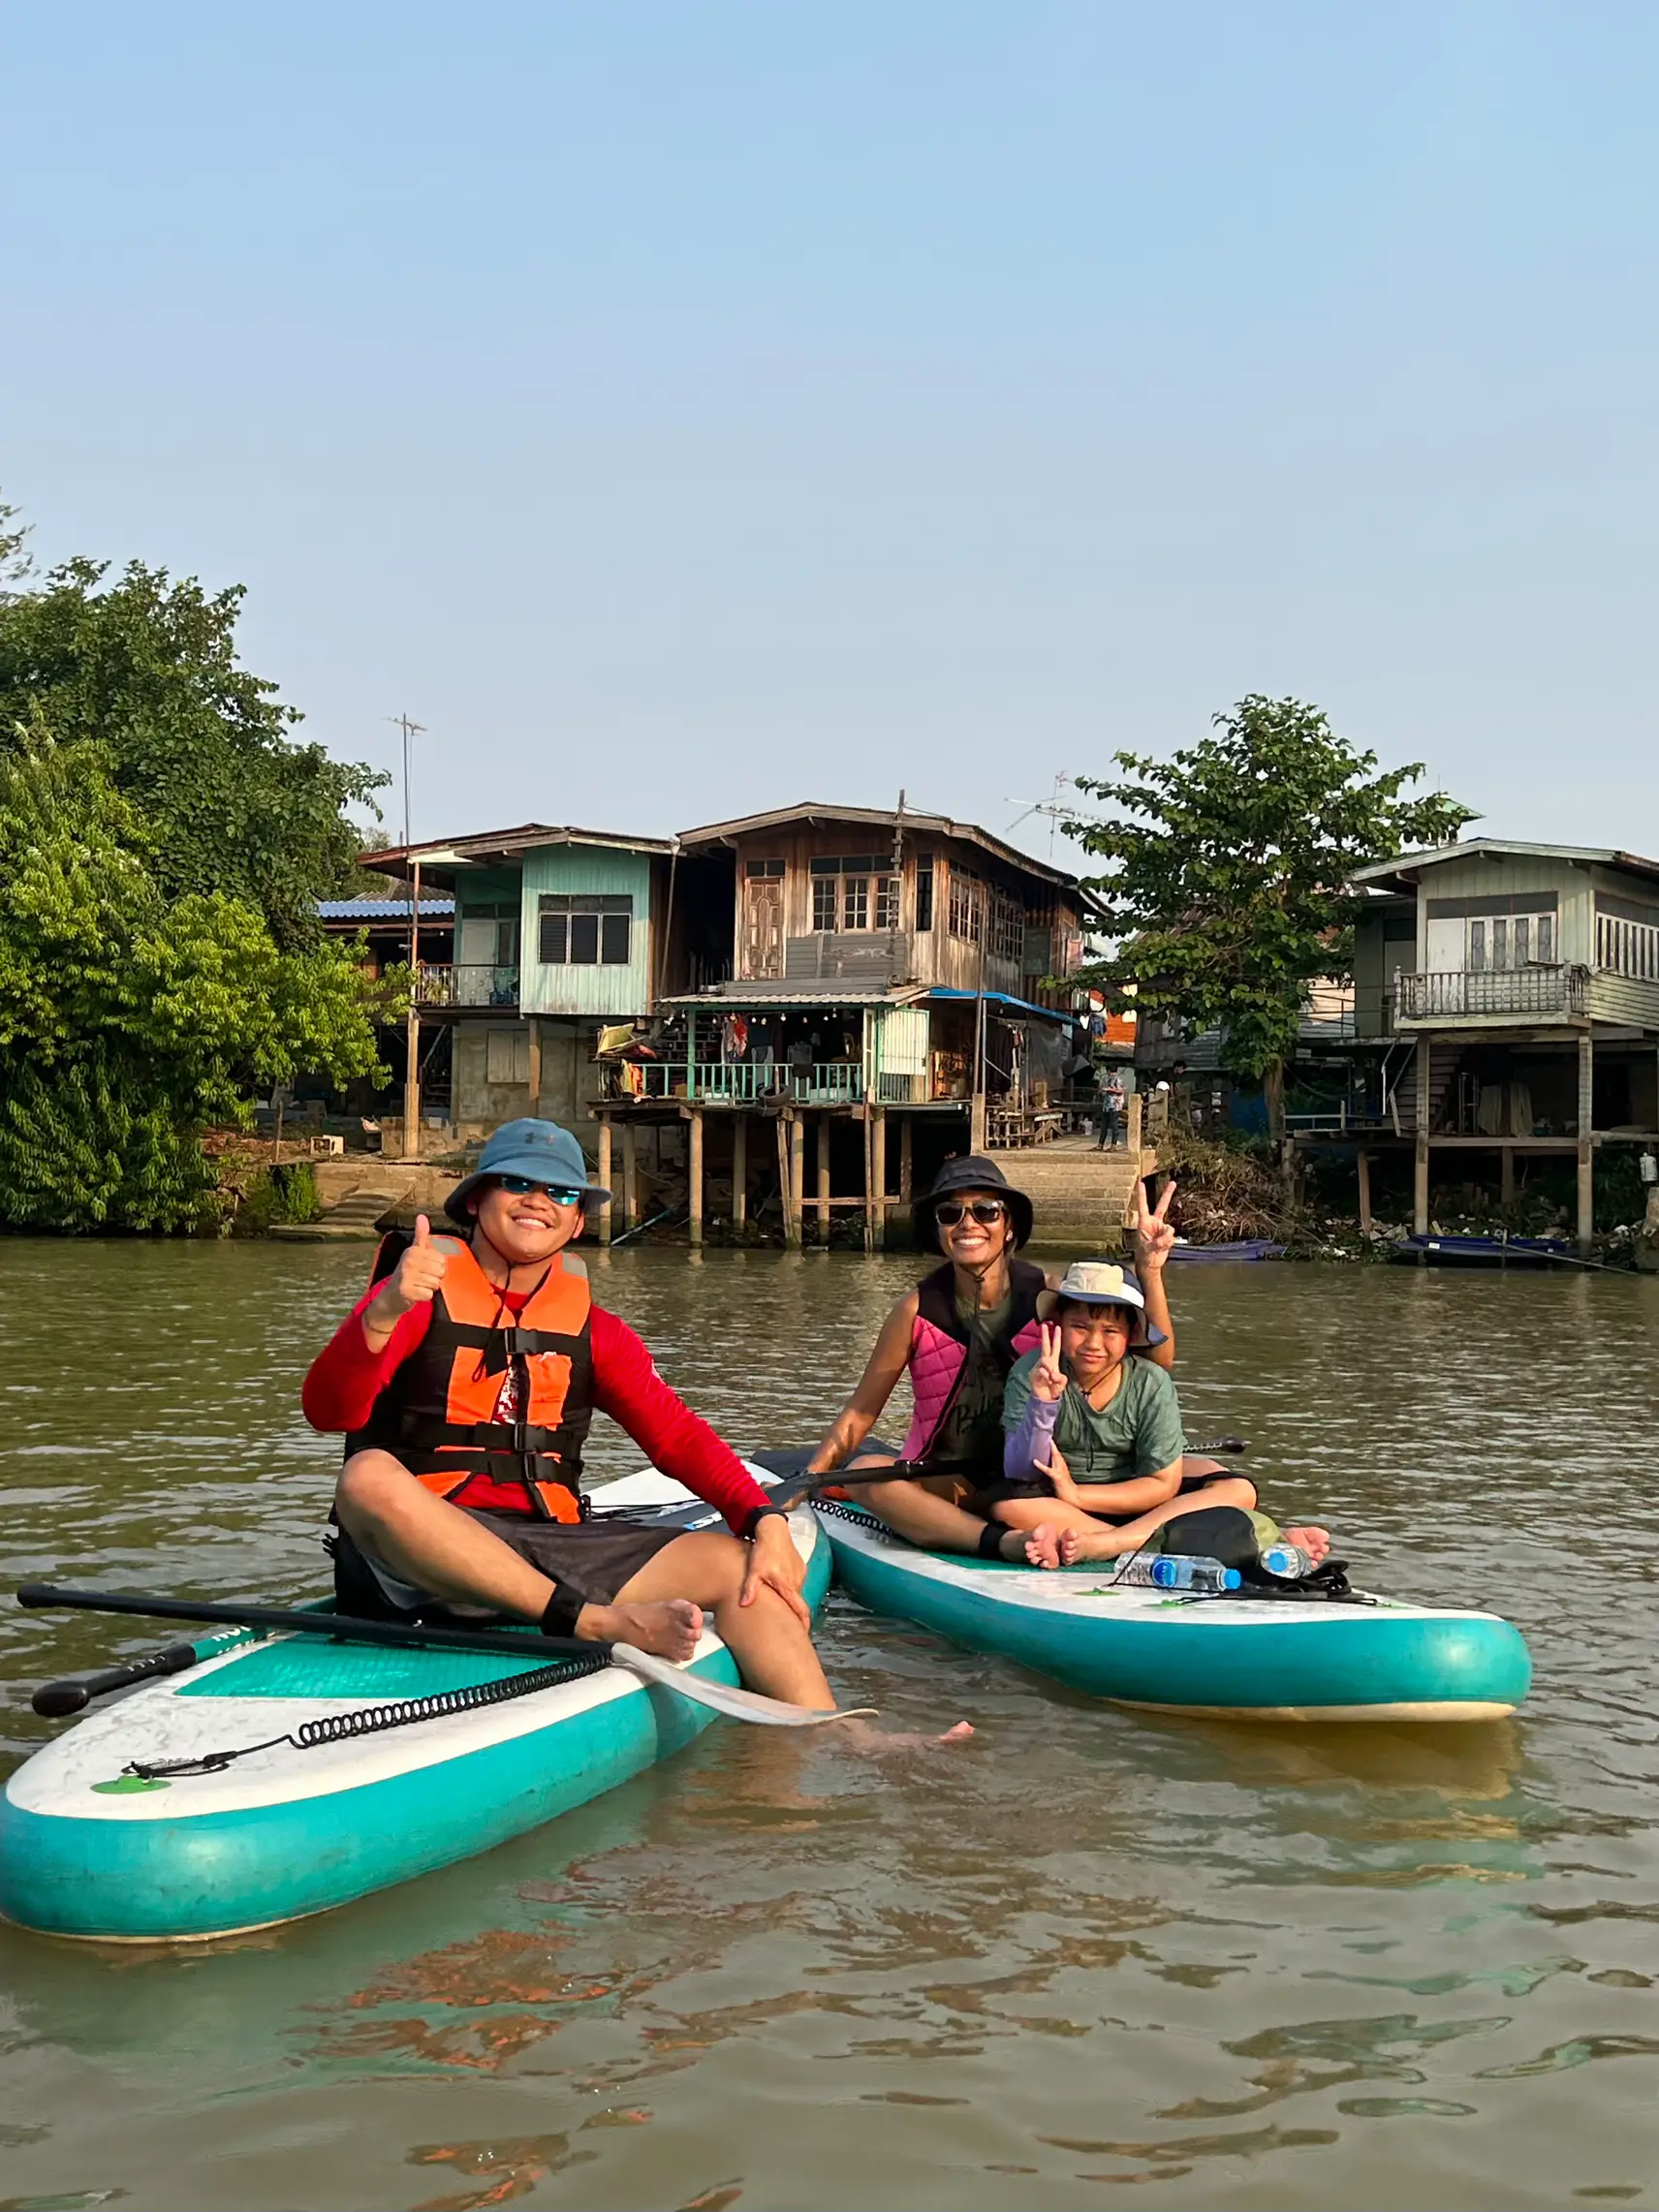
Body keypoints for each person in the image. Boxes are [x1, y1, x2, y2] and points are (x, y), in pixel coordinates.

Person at [302, 1118, 843, 1712]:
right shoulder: (413, 1294)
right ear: (477, 1200)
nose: (537, 1200)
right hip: (421, 1562)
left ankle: (833, 1734)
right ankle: (595, 1623)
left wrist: (761, 1517)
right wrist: (383, 1311)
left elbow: (675, 1435)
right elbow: (328, 1411)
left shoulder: (598, 1333)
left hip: (548, 1544)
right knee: (367, 1477)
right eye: (515, 1183)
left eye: (559, 1192)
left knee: (742, 1571)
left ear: (578, 1220)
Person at [994, 1262, 1328, 1568]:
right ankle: (1184, 1539)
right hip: (1059, 1501)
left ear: (1131, 1336)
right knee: (1009, 1506)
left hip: (1130, 1499)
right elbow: (1021, 1470)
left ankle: (1111, 1544)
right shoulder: (1031, 1372)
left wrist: (1080, 1494)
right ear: (1059, 1326)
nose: (1093, 1343)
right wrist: (1043, 1404)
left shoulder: (1151, 1382)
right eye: (1080, 1327)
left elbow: (1161, 1485)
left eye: (1110, 1331)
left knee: (1238, 1490)